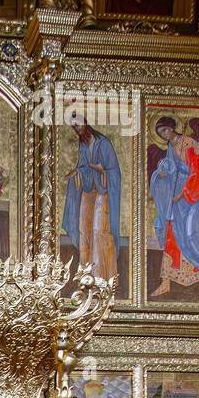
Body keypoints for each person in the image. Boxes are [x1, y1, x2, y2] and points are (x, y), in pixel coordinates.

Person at [148, 115, 199, 301]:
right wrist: (161, 175)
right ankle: (166, 281)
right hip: (176, 197)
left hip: (194, 195)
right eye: (161, 133)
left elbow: (198, 171)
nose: (164, 135)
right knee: (173, 235)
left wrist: (184, 193)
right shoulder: (170, 148)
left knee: (192, 233)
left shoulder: (191, 143)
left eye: (165, 131)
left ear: (171, 128)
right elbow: (171, 171)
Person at [62, 117, 121, 284]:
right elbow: (83, 166)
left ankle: (103, 275)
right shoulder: (83, 145)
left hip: (103, 192)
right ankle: (86, 272)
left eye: (79, 125)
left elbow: (113, 170)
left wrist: (103, 170)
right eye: (75, 128)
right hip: (89, 190)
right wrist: (76, 173)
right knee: (84, 229)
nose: (78, 130)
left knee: (99, 231)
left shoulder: (104, 143)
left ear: (86, 124)